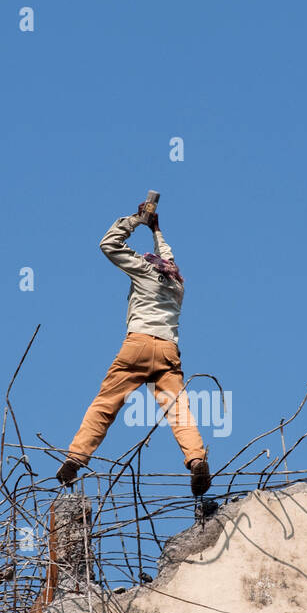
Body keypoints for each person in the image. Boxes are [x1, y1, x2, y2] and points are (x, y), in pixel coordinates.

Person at [56, 202, 211, 496]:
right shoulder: (177, 284)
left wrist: (137, 220)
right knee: (179, 412)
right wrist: (156, 230)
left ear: (148, 263)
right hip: (168, 351)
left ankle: (74, 460)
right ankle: (196, 460)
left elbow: (109, 244)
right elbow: (169, 258)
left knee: (106, 404)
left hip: (137, 346)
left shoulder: (144, 271)